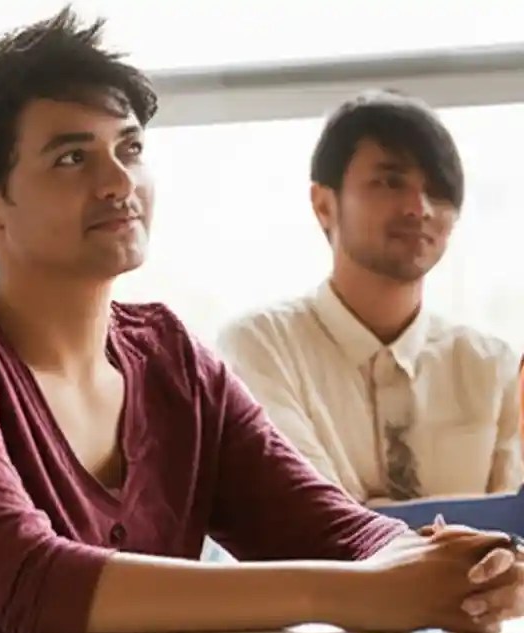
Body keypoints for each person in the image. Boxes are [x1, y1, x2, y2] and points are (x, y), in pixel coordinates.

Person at [0, 8, 524, 633]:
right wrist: (355, 593)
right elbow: (33, 586)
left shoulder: (171, 359)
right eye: (72, 158)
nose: (118, 181)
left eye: (129, 148)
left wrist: (458, 569)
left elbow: (332, 530)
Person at [217, 91, 522, 505]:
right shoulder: (263, 346)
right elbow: (307, 520)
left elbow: (512, 541)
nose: (420, 208)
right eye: (390, 182)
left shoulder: (490, 366)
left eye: (438, 191)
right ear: (324, 204)